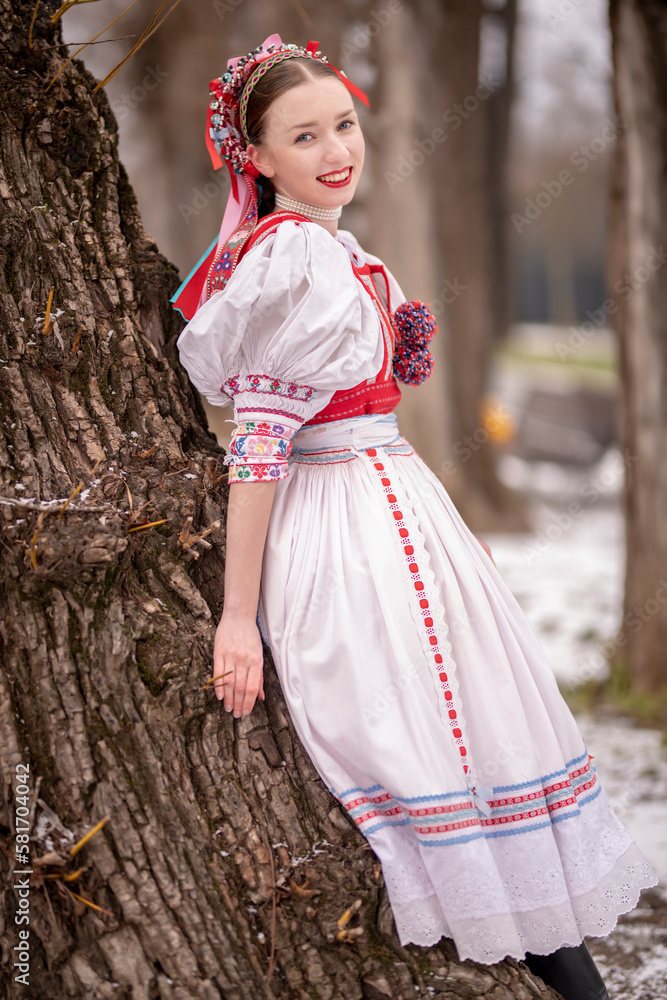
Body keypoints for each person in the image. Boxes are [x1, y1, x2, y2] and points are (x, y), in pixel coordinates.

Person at [172, 33, 657, 999]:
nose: (334, 150)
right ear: (256, 159)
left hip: (403, 523)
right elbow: (260, 444)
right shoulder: (289, 263)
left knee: (481, 740)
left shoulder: (344, 254)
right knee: (429, 749)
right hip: (342, 539)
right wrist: (236, 616)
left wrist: (441, 527)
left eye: (342, 124)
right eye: (301, 137)